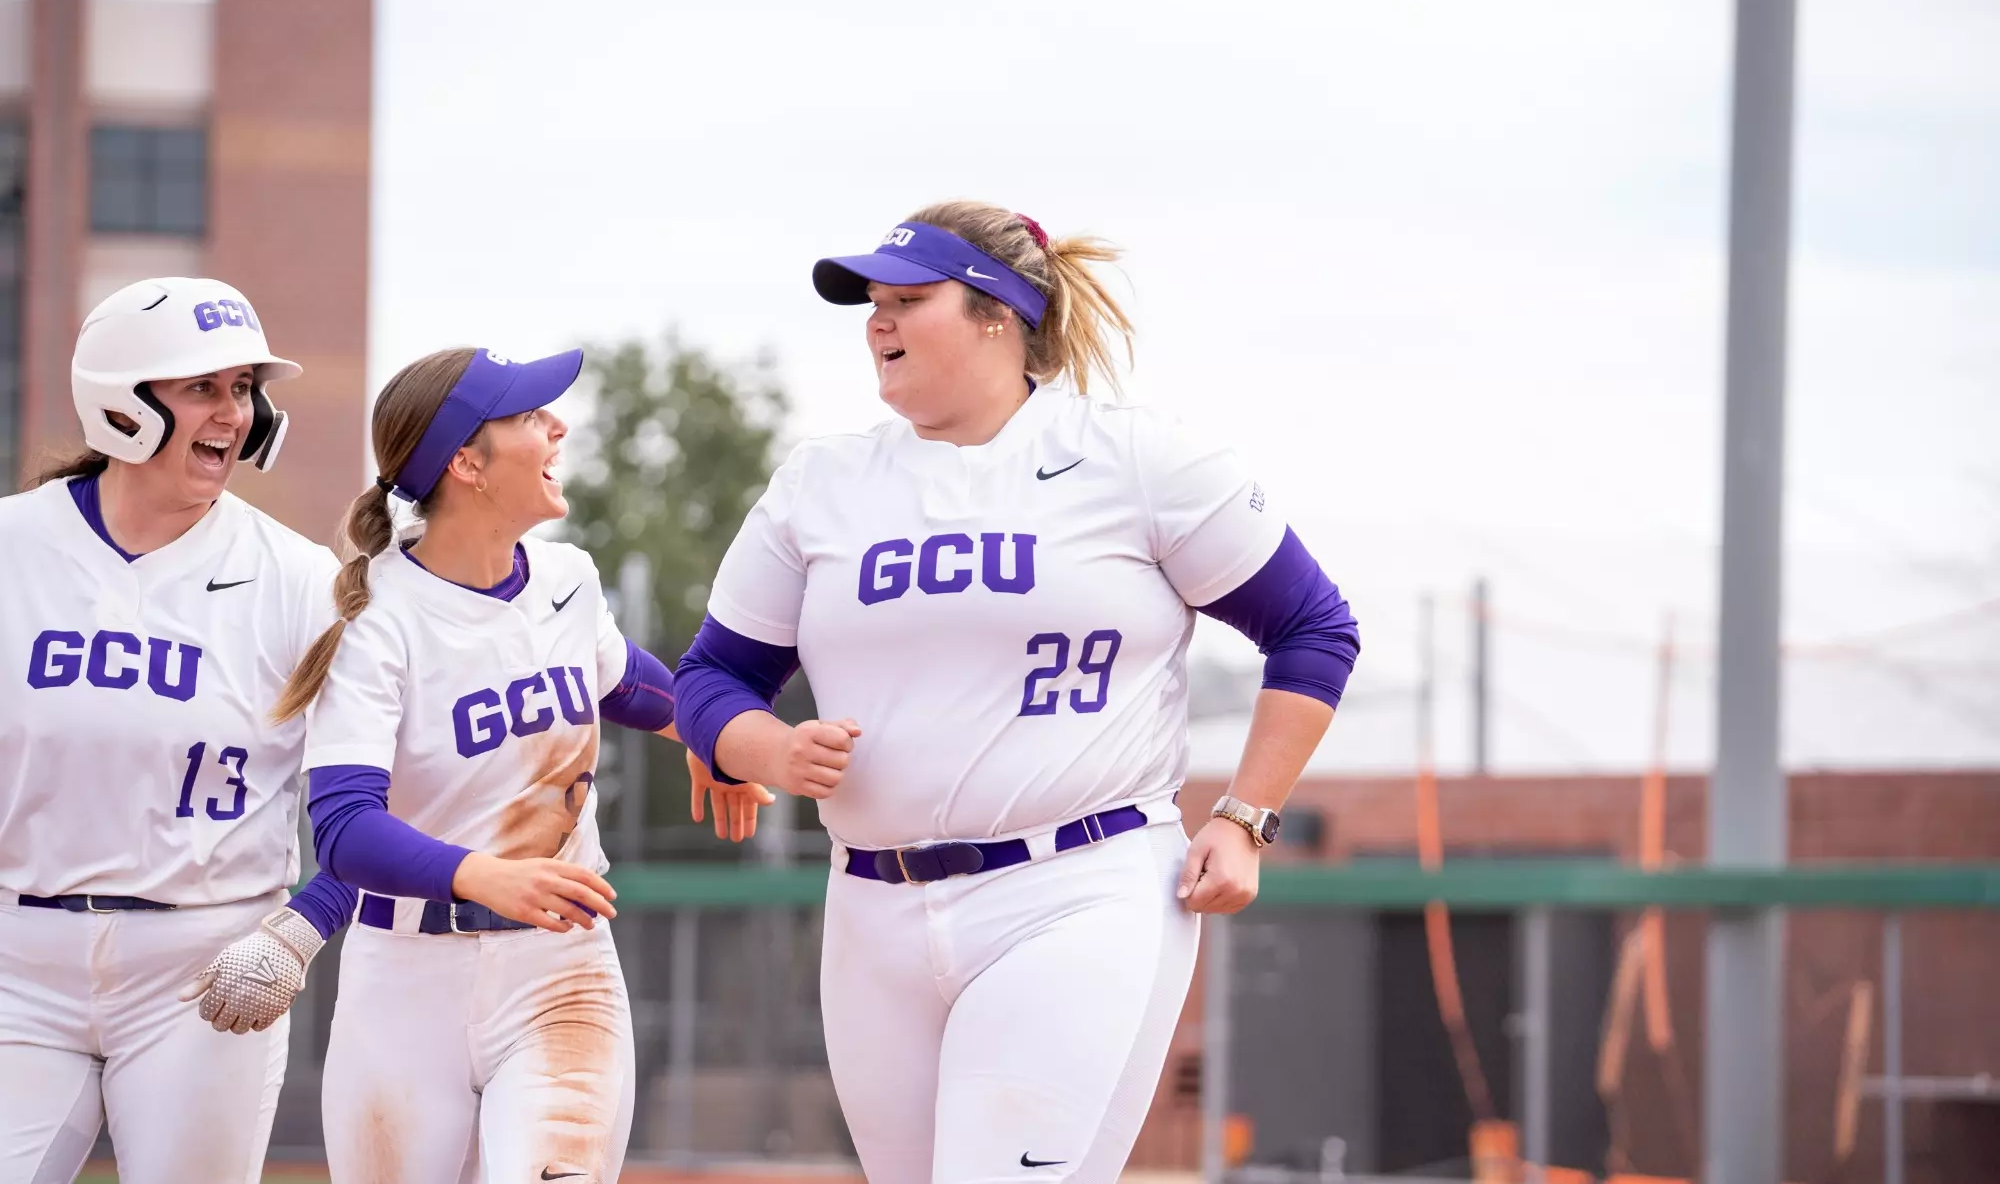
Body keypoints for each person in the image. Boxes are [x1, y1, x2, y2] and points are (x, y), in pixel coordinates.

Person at [673, 201, 1361, 1184]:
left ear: (998, 312)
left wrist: (1245, 818)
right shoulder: (823, 481)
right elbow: (714, 678)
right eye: (872, 302)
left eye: (909, 299)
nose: (878, 322)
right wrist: (764, 750)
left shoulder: (1134, 459)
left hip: (1074, 885)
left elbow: (1311, 627)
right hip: (873, 905)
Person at [276, 345, 774, 1183]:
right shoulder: (376, 614)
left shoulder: (565, 576)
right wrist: (485, 876)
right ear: (466, 463)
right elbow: (344, 827)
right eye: (530, 416)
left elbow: (623, 683)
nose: (558, 426)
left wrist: (706, 733)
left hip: (560, 970)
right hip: (402, 981)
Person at [0, 277, 360, 1183]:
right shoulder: (13, 548)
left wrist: (302, 927)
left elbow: (386, 787)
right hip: (14, 965)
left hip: (205, 973)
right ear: (121, 404)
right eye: (203, 387)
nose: (232, 414)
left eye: (243, 388)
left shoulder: (296, 578)